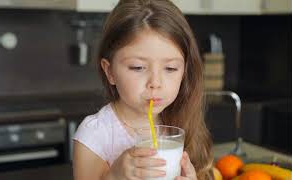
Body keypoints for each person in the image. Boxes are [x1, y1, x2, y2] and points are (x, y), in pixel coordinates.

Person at [73, 0, 213, 179]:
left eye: (170, 68)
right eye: (138, 67)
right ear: (110, 72)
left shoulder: (182, 121)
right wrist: (114, 176)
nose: (155, 82)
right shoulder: (95, 135)